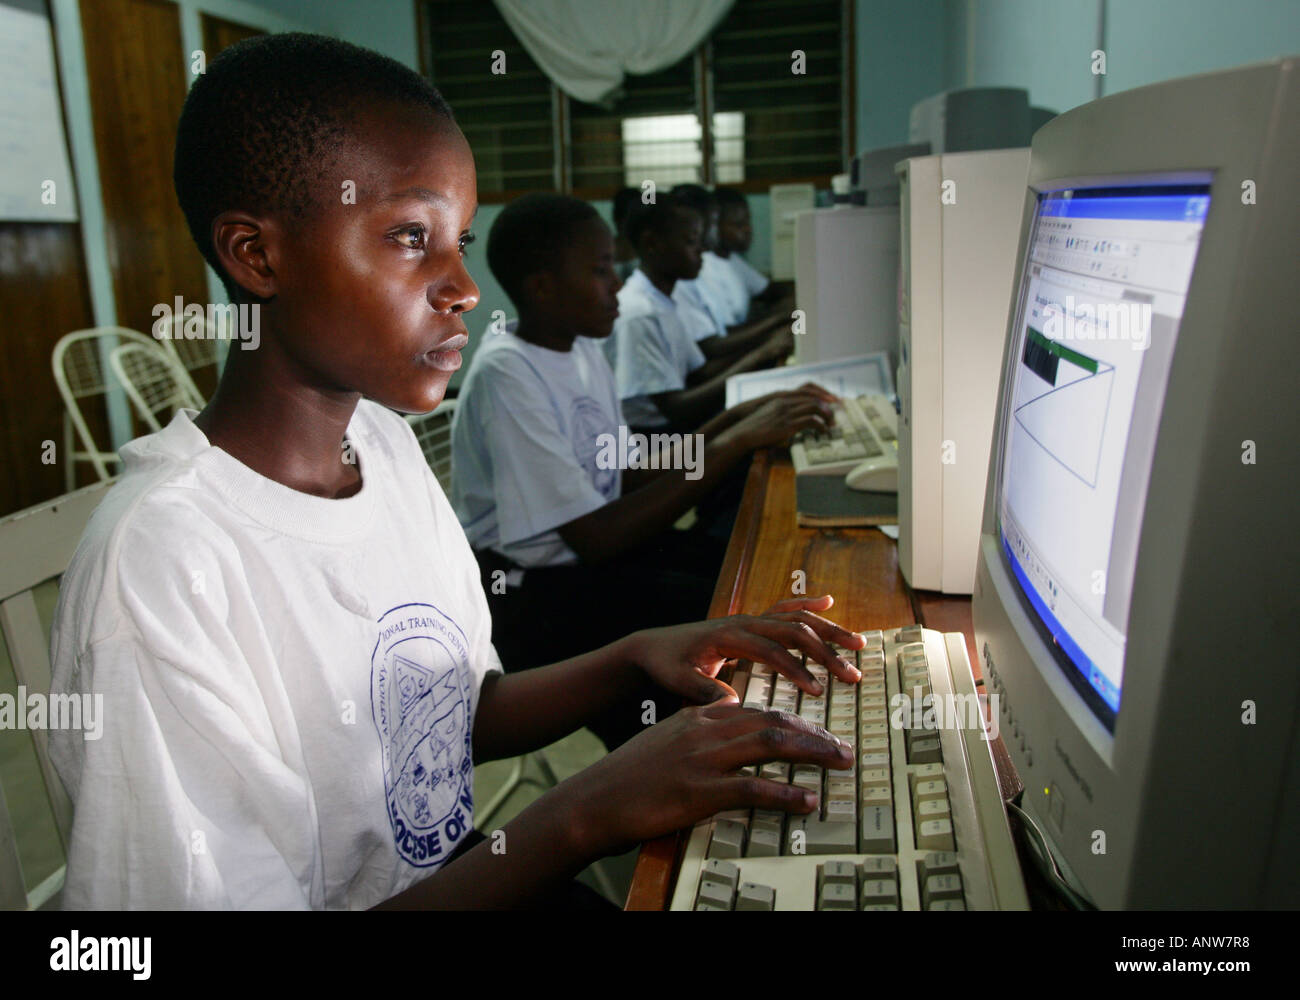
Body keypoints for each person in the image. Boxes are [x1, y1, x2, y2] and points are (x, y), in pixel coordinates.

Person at [46, 32, 862, 911]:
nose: (466, 288)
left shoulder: (387, 447)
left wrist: (637, 657)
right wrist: (583, 811)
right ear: (256, 255)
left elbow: (456, 714)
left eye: (460, 241)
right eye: (410, 237)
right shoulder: (165, 565)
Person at [451, 193, 836, 732]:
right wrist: (730, 445)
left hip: (583, 564)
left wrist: (743, 418)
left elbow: (622, 464)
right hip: (533, 595)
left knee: (736, 575)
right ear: (542, 287)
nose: (617, 282)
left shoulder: (579, 343)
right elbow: (596, 537)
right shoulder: (507, 375)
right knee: (723, 613)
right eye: (602, 269)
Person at [607, 194, 792, 435]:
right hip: (652, 441)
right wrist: (760, 355)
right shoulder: (640, 313)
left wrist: (767, 353)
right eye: (692, 241)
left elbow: (700, 372)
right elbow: (678, 410)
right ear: (652, 244)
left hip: (674, 427)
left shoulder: (662, 300)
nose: (703, 250)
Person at [668, 184, 791, 359]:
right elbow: (712, 348)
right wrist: (773, 329)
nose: (713, 232)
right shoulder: (687, 279)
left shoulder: (711, 265)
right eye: (711, 224)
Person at [713, 185, 795, 317]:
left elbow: (770, 290)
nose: (748, 229)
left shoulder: (731, 260)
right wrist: (778, 319)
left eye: (747, 222)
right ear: (714, 226)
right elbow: (723, 335)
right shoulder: (706, 267)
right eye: (738, 225)